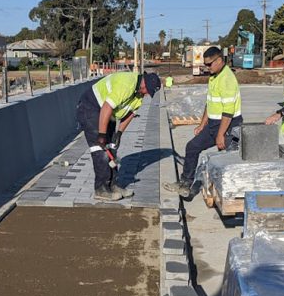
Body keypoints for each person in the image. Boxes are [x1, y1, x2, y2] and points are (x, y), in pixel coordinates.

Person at [163, 46, 242, 197]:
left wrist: (221, 135)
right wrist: (202, 124)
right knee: (192, 147)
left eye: (209, 64)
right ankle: (185, 184)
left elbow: (228, 112)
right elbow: (210, 102)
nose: (207, 67)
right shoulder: (214, 77)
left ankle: (229, 194)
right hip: (214, 123)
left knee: (227, 159)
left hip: (228, 125)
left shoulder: (227, 79)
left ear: (219, 60)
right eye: (205, 64)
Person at [76, 71, 161, 201]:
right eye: (147, 91)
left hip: (107, 113)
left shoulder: (138, 95)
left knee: (112, 147)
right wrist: (102, 134)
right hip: (91, 107)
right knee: (100, 150)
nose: (146, 94)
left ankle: (113, 185)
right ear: (144, 83)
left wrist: (119, 132)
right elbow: (106, 107)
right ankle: (101, 189)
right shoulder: (127, 84)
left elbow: (130, 113)